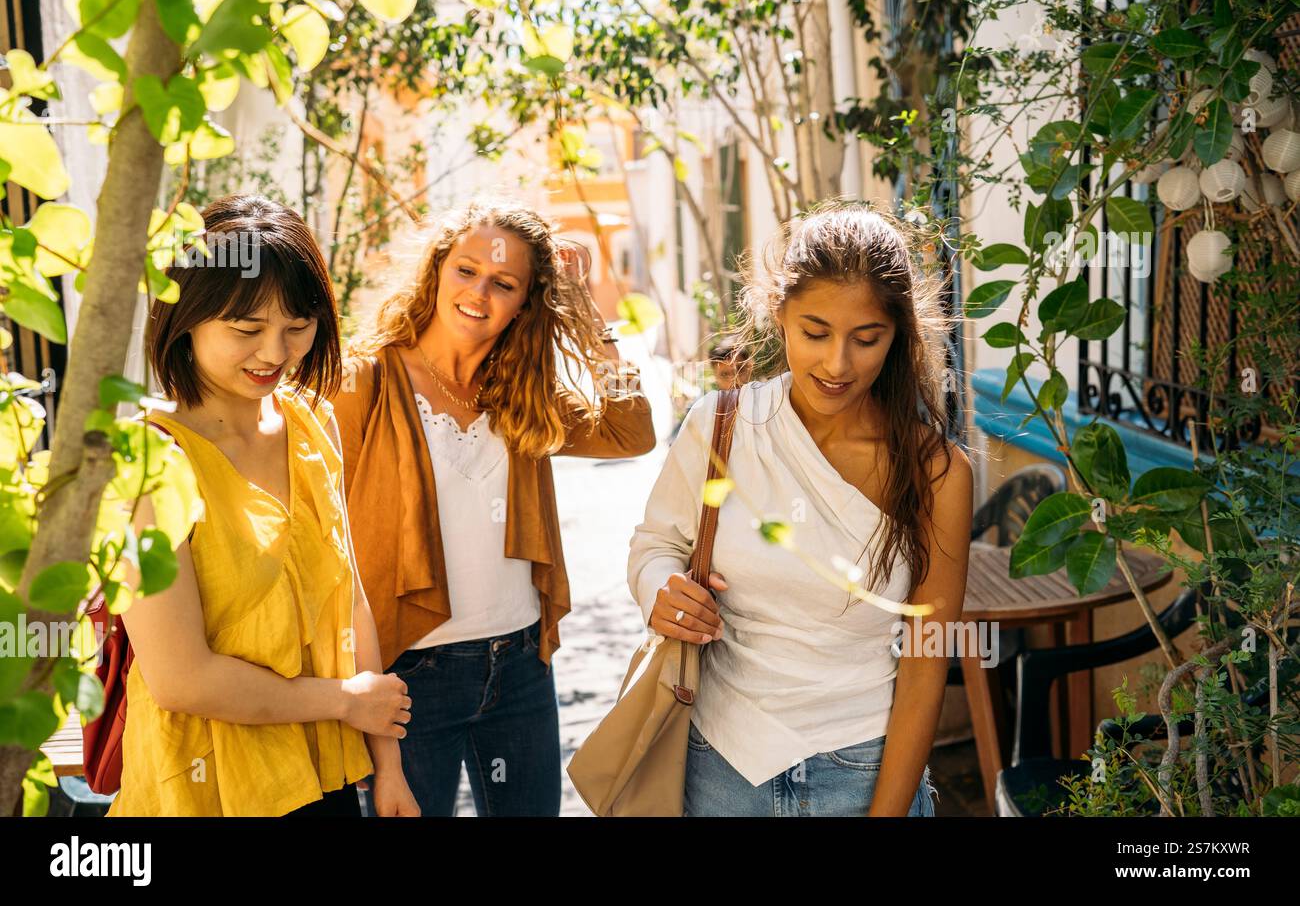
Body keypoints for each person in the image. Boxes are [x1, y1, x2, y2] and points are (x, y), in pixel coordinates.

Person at [627, 201, 972, 817]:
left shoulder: (936, 473)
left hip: (866, 770)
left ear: (898, 336)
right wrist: (662, 588)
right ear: (778, 314)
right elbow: (656, 544)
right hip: (721, 767)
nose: (838, 365)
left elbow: (927, 660)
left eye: (867, 339)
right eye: (815, 333)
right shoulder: (721, 428)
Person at [333, 200, 656, 816]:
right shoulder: (364, 381)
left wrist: (590, 324)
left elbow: (630, 432)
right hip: (408, 673)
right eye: (466, 270)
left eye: (504, 283)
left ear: (525, 303)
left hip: (518, 667)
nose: (479, 292)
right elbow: (317, 529)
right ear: (436, 272)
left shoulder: (520, 393)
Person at [109, 194, 418, 817]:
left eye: (297, 327)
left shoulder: (312, 423)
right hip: (209, 788)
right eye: (247, 330)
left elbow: (351, 598)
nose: (275, 353)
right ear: (184, 317)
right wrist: (343, 701)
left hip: (326, 775)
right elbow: (181, 678)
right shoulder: (145, 459)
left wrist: (390, 770)